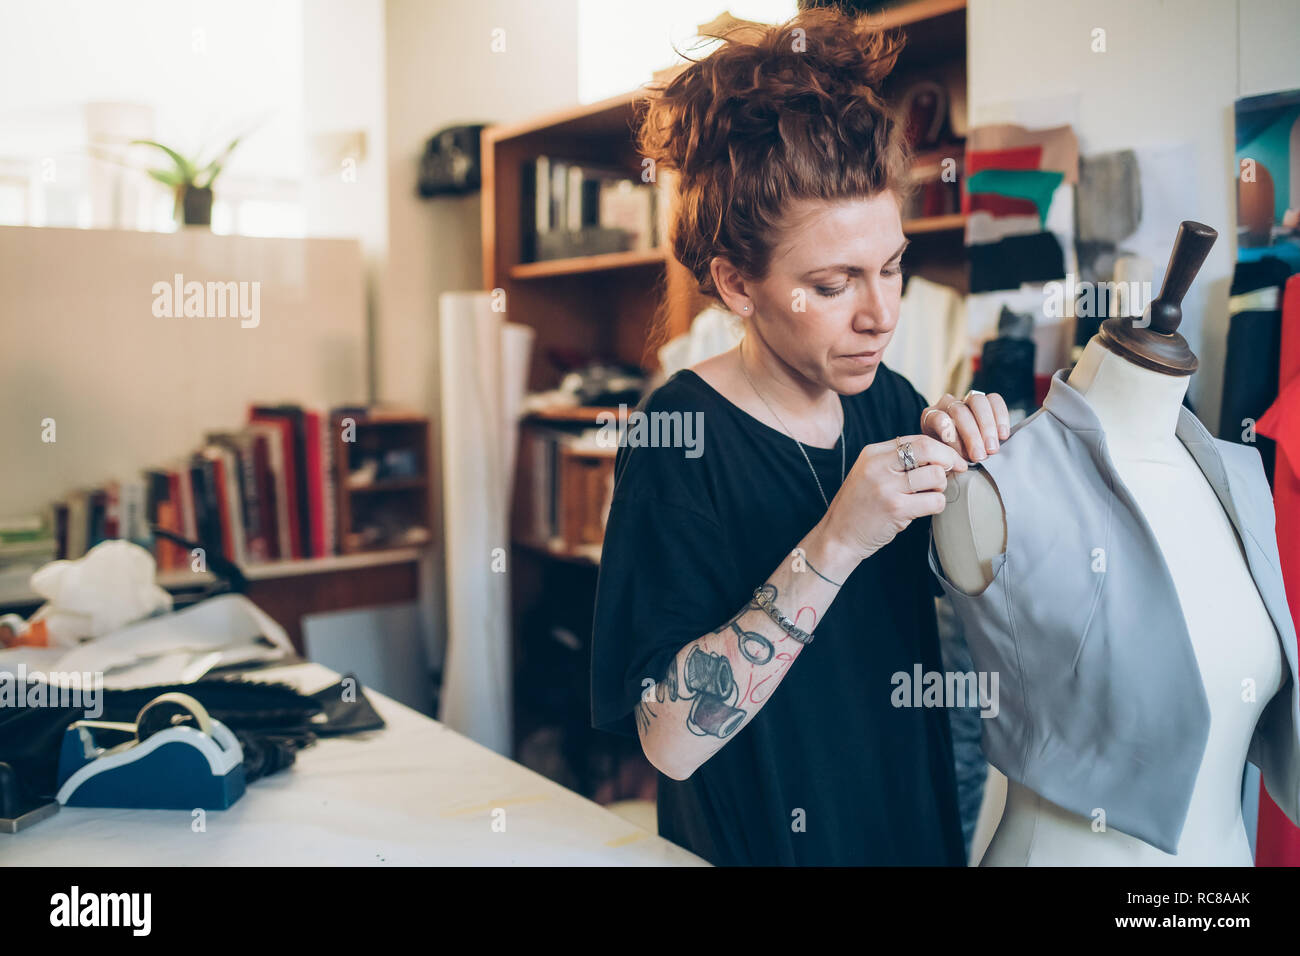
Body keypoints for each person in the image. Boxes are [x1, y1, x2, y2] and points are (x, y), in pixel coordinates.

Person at [589, 7, 1010, 866]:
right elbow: (669, 737)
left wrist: (983, 485)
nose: (881, 314)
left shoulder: (887, 399)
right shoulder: (678, 439)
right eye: (832, 283)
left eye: (892, 266)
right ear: (737, 283)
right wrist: (837, 541)